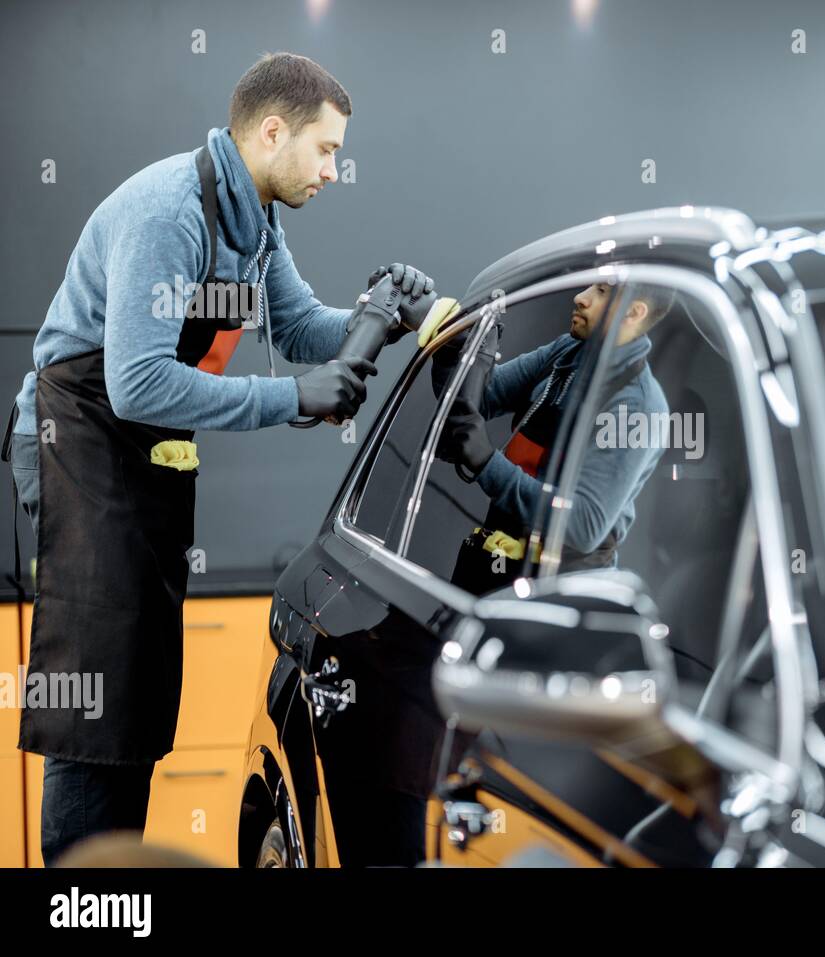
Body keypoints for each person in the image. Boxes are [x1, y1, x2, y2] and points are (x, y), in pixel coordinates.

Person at [0, 51, 434, 865]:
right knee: (101, 699)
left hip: (138, 455)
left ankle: (112, 879)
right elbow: (134, 382)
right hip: (82, 438)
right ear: (272, 132)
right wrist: (291, 399)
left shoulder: (256, 223)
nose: (334, 170)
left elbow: (302, 328)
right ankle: (80, 899)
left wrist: (385, 315)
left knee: (140, 689)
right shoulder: (174, 213)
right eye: (326, 149)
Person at [439, 282, 673, 592]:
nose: (581, 297)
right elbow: (477, 401)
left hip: (556, 598)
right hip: (497, 567)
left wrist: (486, 463)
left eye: (601, 291)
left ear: (634, 311)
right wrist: (451, 349)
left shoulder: (636, 405)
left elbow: (582, 525)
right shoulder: (567, 352)